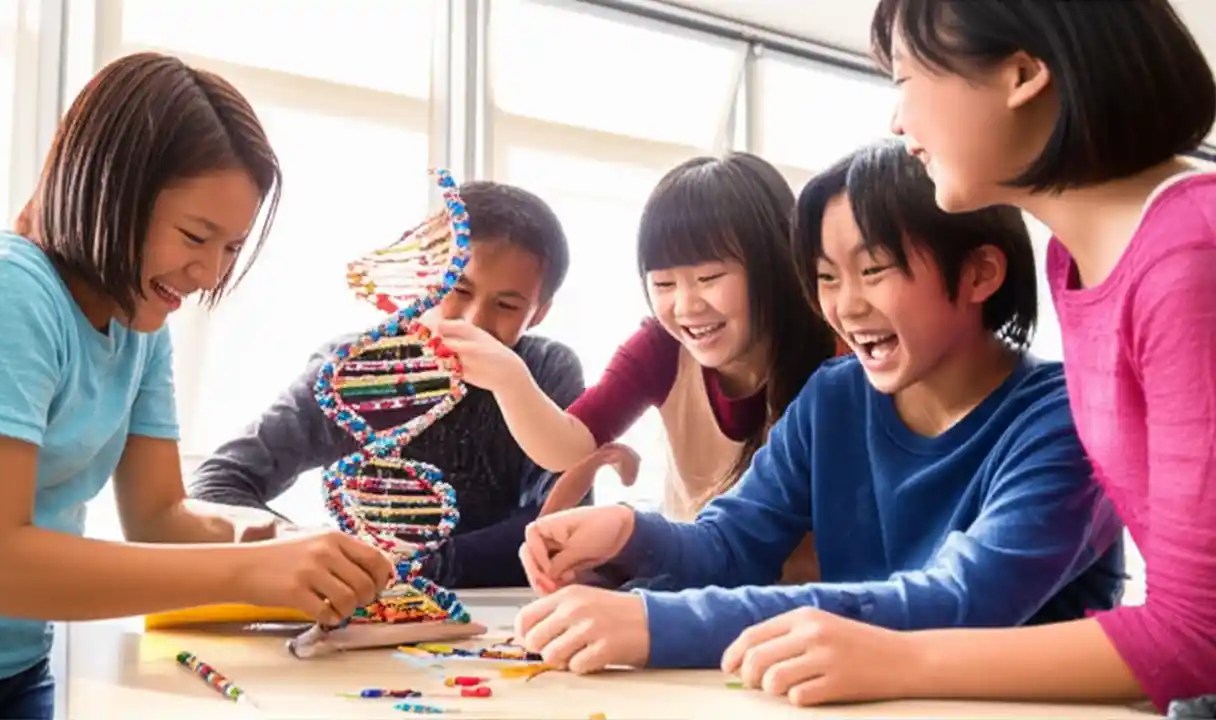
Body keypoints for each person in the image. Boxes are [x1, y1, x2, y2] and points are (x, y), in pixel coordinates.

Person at [715, 1, 1216, 711]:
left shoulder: (1190, 259)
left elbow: (1200, 633)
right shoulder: (1082, 260)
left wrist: (898, 659)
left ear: (1021, 73)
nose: (897, 122)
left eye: (906, 78)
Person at [510, 139, 1125, 682]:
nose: (845, 306)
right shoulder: (835, 396)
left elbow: (961, 603)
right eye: (827, 278)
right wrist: (627, 534)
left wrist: (654, 623)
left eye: (873, 270)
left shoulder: (1068, 417)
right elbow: (730, 545)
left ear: (980, 273)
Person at [0, 52, 395, 720]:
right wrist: (249, 574)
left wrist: (283, 544)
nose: (209, 273)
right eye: (194, 236)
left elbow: (159, 516)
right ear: (107, 191)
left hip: (18, 671)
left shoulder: (139, 321)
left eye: (232, 247)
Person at [439, 153, 837, 581]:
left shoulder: (836, 365)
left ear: (775, 263)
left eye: (710, 278)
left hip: (806, 602)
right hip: (698, 590)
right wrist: (509, 380)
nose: (687, 306)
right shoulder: (662, 347)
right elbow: (567, 444)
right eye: (664, 284)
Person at [189, 181, 585, 588]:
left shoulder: (545, 371)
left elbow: (567, 526)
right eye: (457, 288)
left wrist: (426, 566)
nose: (473, 321)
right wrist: (307, 551)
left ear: (538, 313)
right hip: (362, 612)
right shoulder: (355, 372)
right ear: (424, 275)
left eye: (506, 305)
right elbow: (216, 483)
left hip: (502, 621)